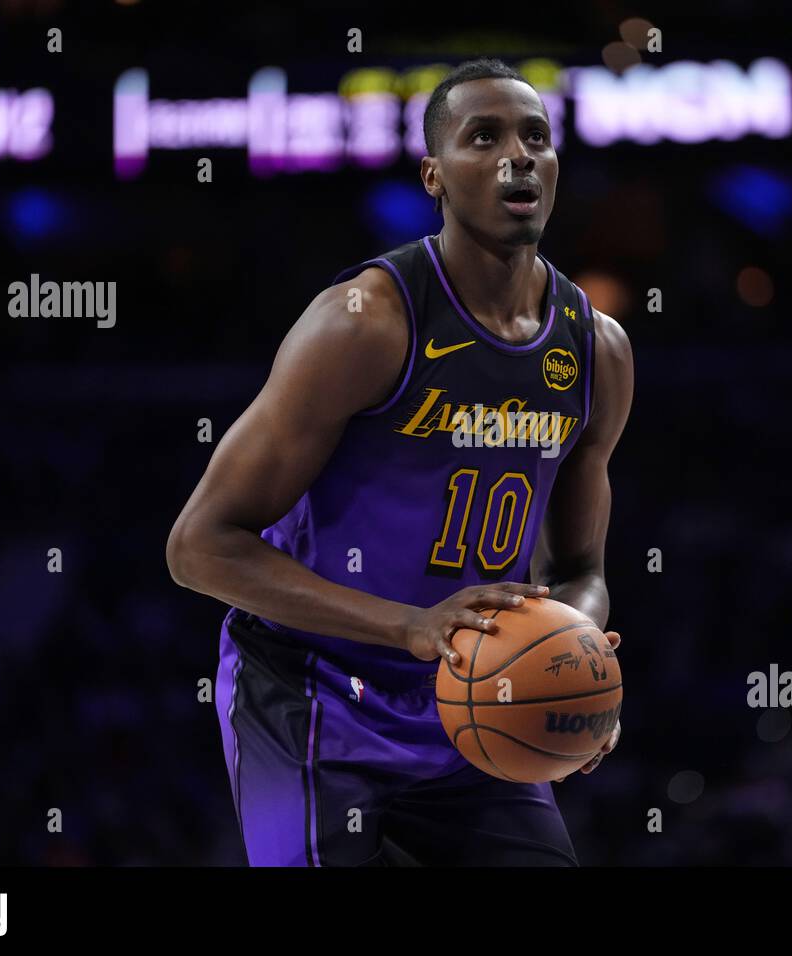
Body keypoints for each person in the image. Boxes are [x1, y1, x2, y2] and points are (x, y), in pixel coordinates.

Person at [167, 57, 634, 866]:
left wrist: (574, 654)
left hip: (476, 697)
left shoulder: (597, 350)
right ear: (434, 176)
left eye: (535, 137)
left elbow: (582, 567)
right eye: (482, 137)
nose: (517, 155)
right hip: (311, 690)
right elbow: (199, 547)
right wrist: (410, 628)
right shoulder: (364, 325)